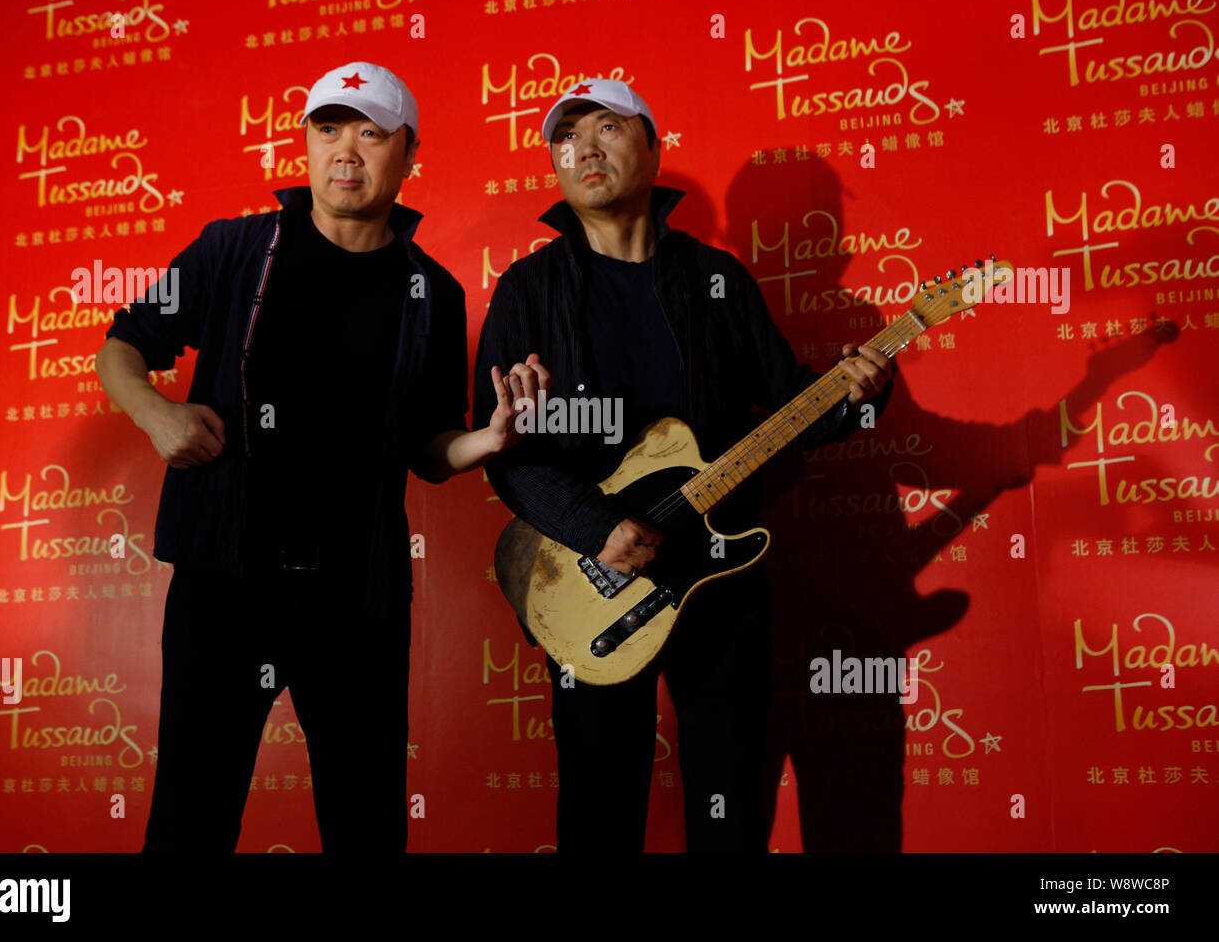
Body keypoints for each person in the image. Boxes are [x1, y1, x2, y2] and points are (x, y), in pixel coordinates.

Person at [97, 61, 534, 852]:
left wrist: (489, 439)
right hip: (225, 584)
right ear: (304, 144)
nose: (346, 152)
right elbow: (124, 345)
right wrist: (156, 414)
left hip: (356, 598)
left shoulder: (431, 291)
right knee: (190, 815)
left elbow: (428, 450)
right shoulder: (232, 250)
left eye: (371, 134)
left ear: (408, 153)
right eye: (328, 129)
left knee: (366, 824)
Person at [473, 79, 895, 852]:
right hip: (593, 583)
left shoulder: (719, 279)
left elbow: (790, 417)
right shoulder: (529, 289)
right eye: (566, 138)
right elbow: (507, 458)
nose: (586, 148)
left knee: (730, 801)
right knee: (600, 810)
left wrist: (859, 393)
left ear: (654, 148)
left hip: (723, 579)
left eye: (606, 126)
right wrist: (600, 528)